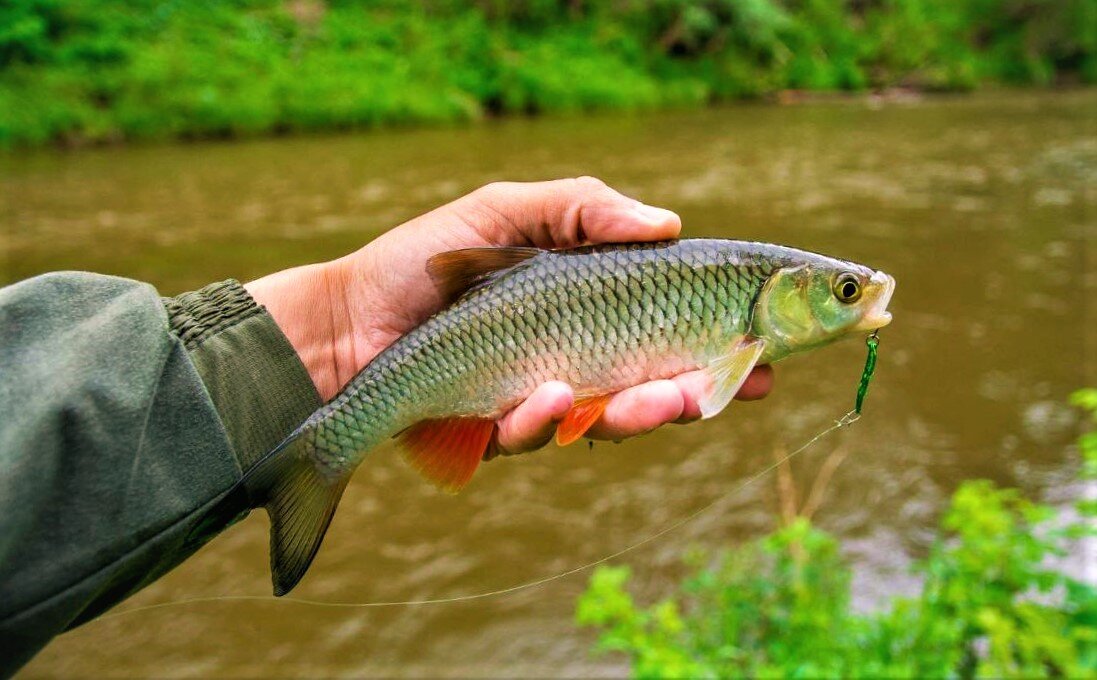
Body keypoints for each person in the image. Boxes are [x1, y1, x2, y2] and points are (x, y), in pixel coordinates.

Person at [0, 177, 772, 672]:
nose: (859, 302)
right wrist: (336, 330)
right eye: (840, 292)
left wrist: (326, 330)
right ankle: (312, 464)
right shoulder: (736, 319)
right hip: (470, 349)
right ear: (779, 294)